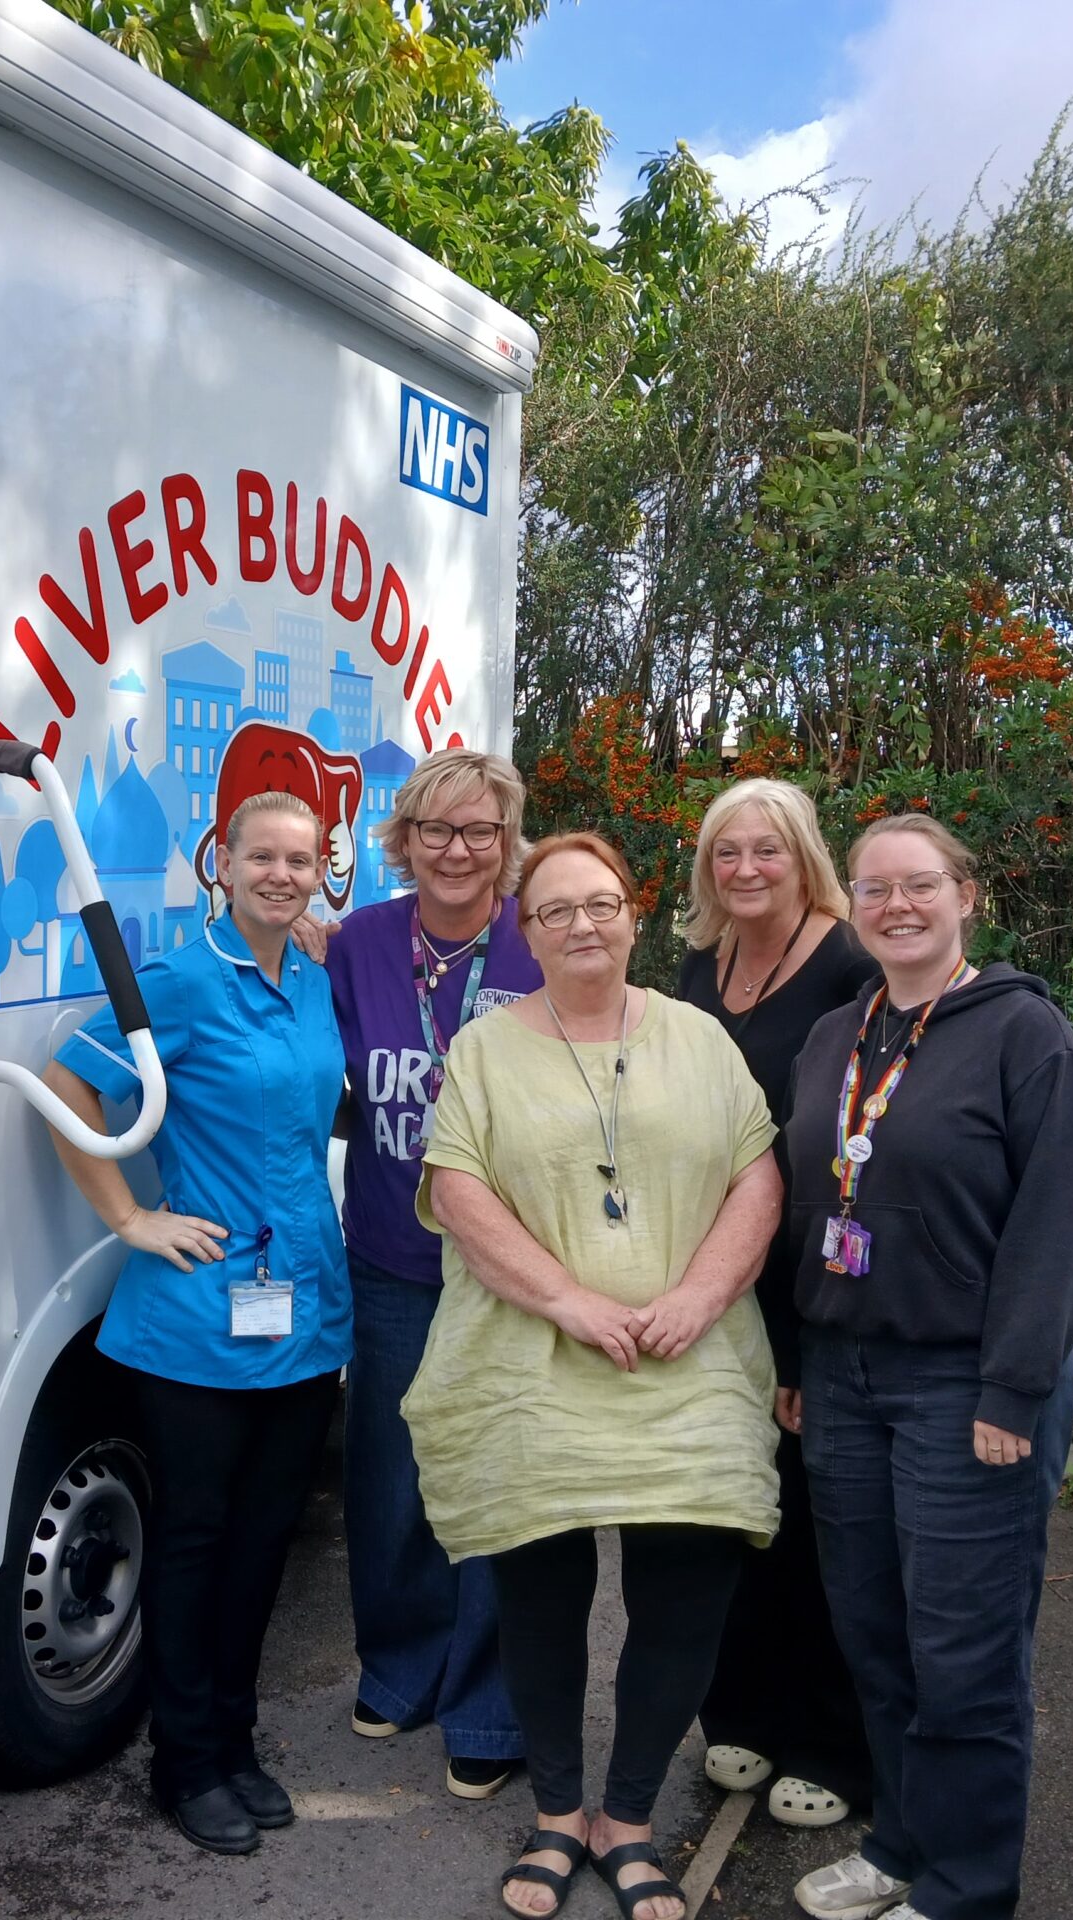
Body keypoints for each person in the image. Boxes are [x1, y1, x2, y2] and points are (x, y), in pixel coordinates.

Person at [409, 832, 786, 1920]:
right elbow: (459, 1188)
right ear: (526, 933)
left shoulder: (699, 1036)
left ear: (635, 917)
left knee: (684, 1599)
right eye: (556, 910)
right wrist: (567, 1300)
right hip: (531, 1359)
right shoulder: (485, 1046)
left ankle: (626, 1818)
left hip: (687, 1358)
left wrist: (697, 1298)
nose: (582, 924)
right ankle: (557, 1813)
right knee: (539, 1599)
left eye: (601, 904)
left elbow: (756, 1177)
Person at [781, 815, 1073, 1920]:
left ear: (967, 896)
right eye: (874, 889)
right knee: (872, 1632)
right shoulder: (837, 1035)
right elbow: (807, 1205)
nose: (897, 906)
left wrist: (1014, 1387)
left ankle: (965, 1888)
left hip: (967, 1390)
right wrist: (795, 1355)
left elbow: (1056, 1227)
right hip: (843, 1376)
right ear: (852, 906)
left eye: (920, 886)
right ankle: (900, 1842)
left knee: (962, 1651)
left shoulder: (1024, 1036)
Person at [39, 790, 350, 1858]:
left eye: (300, 859)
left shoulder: (311, 978)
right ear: (220, 863)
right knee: (194, 1541)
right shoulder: (175, 980)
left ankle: (234, 1738)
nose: (281, 873)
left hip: (305, 1309)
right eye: (261, 855)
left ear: (321, 871)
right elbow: (65, 1082)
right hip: (198, 1325)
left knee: (266, 1542)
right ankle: (183, 1763)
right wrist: (129, 1213)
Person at [324, 748, 541, 1800]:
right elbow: (320, 1083)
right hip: (391, 1260)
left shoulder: (541, 943)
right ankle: (399, 1667)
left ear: (509, 846)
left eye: (481, 832)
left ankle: (490, 1702)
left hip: (508, 1266)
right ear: (401, 841)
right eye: (436, 831)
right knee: (390, 1478)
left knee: (500, 1485)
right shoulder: (357, 943)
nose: (458, 851)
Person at [672, 780, 880, 1831]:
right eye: (725, 852)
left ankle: (831, 1739)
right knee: (725, 1505)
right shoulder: (698, 968)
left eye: (767, 850)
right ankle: (739, 1714)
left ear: (805, 857)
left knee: (815, 1520)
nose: (745, 869)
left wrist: (798, 1346)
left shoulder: (851, 968)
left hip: (807, 1281)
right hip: (711, 1276)